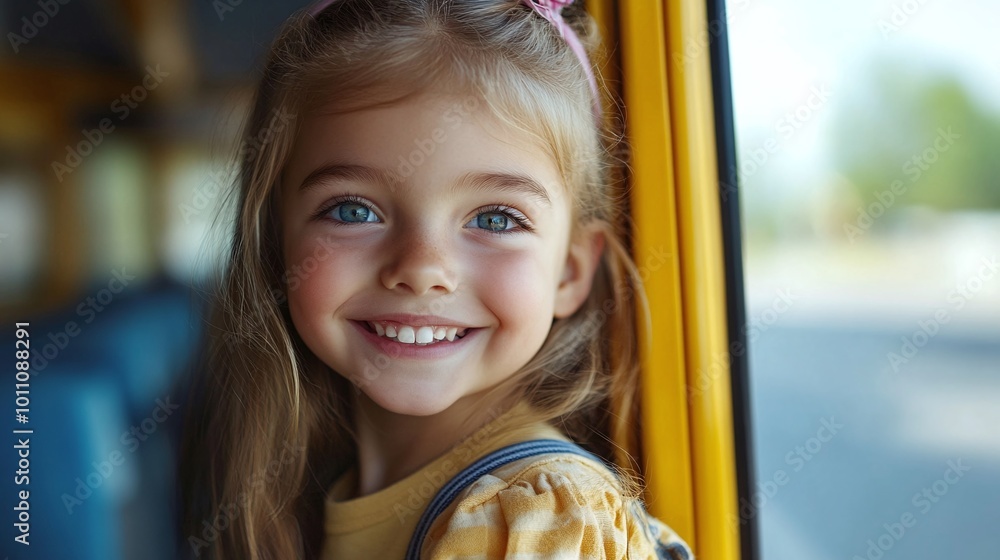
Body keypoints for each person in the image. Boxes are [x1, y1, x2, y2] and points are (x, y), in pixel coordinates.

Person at [180, 0, 694, 558]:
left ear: (570, 271)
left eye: (496, 219)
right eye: (353, 211)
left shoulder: (533, 523)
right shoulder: (334, 487)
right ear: (277, 245)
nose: (422, 268)